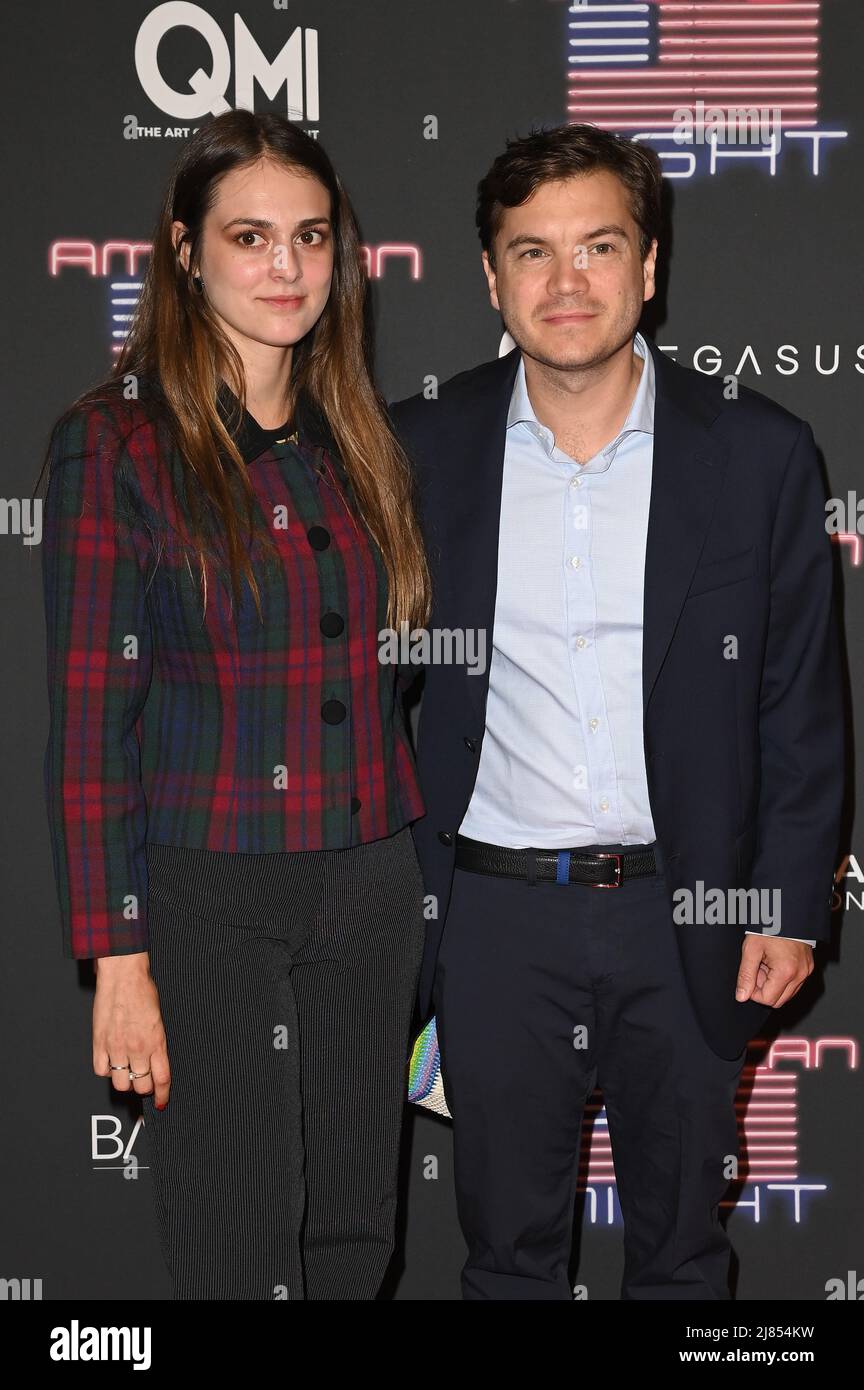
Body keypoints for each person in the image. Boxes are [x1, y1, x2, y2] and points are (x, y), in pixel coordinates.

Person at [390, 123, 844, 1300]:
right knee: (506, 1266)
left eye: (599, 245)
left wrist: (788, 906)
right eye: (530, 252)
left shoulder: (759, 452)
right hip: (491, 923)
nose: (567, 281)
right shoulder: (417, 448)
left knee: (686, 1261)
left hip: (683, 909)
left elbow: (801, 703)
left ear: (650, 264)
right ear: (491, 279)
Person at [39, 109, 431, 1301]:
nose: (286, 267)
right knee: (236, 1247)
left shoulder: (363, 440)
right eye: (250, 235)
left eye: (310, 237)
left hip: (370, 883)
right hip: (211, 893)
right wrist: (118, 955)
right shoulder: (111, 445)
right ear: (183, 249)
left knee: (356, 1233)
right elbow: (88, 722)